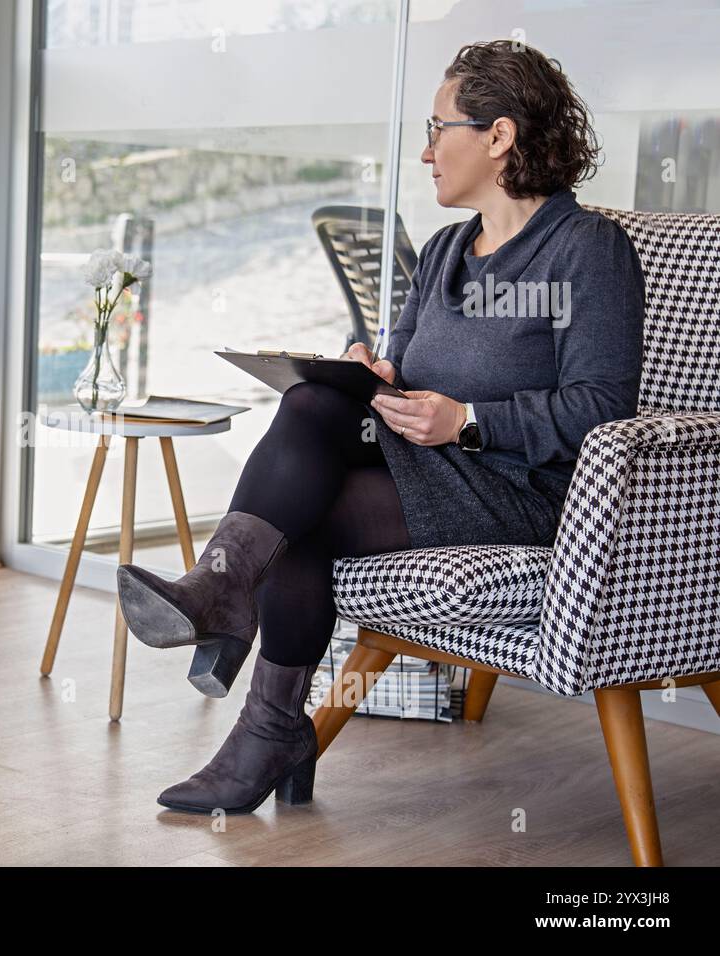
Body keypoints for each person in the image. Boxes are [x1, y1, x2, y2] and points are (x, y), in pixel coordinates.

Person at [116, 39, 646, 815]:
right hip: (425, 466)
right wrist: (376, 377)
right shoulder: (443, 252)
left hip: (521, 490)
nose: (427, 152)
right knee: (312, 403)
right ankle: (244, 653)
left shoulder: (588, 250)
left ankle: (248, 670)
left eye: (440, 129)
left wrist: (466, 421)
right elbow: (404, 368)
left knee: (307, 504)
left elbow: (603, 408)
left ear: (499, 137)